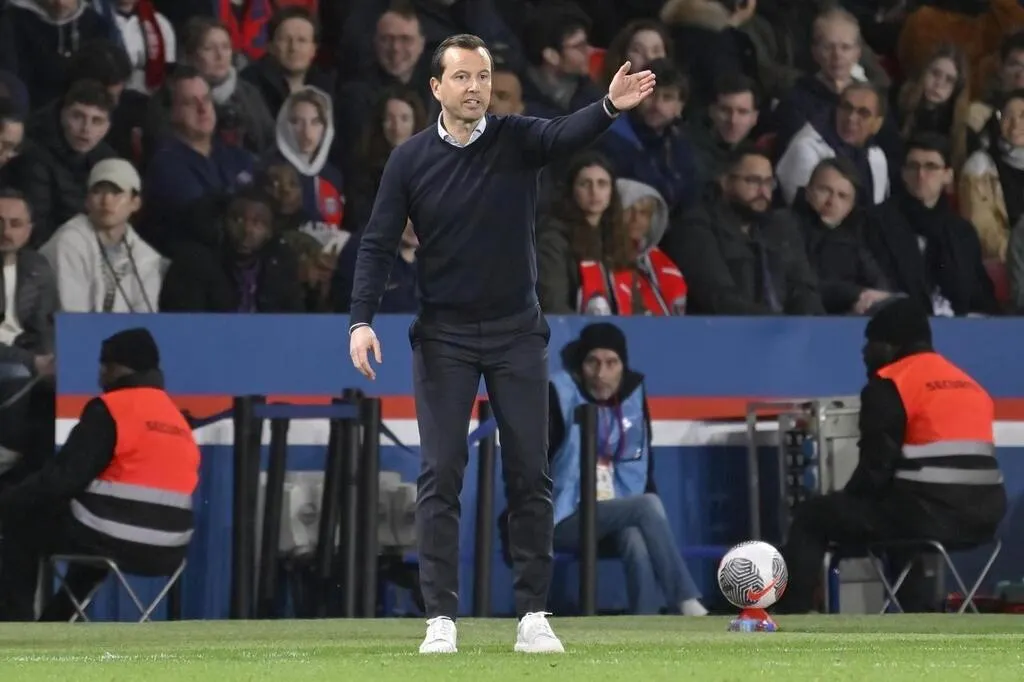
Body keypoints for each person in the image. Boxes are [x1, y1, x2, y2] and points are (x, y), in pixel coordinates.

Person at [348, 33, 655, 655]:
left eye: (482, 77)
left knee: (530, 474)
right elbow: (378, 243)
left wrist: (610, 107)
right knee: (440, 473)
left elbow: (565, 134)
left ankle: (534, 615)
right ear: (436, 88)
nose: (474, 88)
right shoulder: (408, 160)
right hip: (443, 337)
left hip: (517, 333)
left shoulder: (516, 137)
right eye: (461, 77)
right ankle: (440, 619)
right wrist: (360, 321)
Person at [778, 298, 1006, 613]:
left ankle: (791, 620)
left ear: (890, 345)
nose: (864, 352)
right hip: (985, 519)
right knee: (898, 510)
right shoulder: (971, 386)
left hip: (927, 519)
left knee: (812, 517)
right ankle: (920, 612)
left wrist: (846, 502)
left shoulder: (891, 384)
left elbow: (875, 468)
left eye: (870, 342)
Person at [0, 327, 200, 621]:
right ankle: (55, 623)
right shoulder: (176, 417)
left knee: (19, 525)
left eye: (103, 365)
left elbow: (62, 478)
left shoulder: (111, 409)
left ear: (117, 367)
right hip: (170, 549)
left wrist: (9, 500)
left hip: (112, 537)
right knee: (94, 534)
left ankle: (15, 629)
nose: (99, 375)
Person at [547, 323, 707, 616]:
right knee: (647, 505)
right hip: (563, 518)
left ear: (623, 365)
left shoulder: (633, 397)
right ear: (581, 366)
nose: (601, 373)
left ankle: (644, 623)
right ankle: (684, 598)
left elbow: (644, 468)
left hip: (613, 514)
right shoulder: (558, 394)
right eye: (592, 362)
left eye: (611, 363)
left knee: (635, 534)